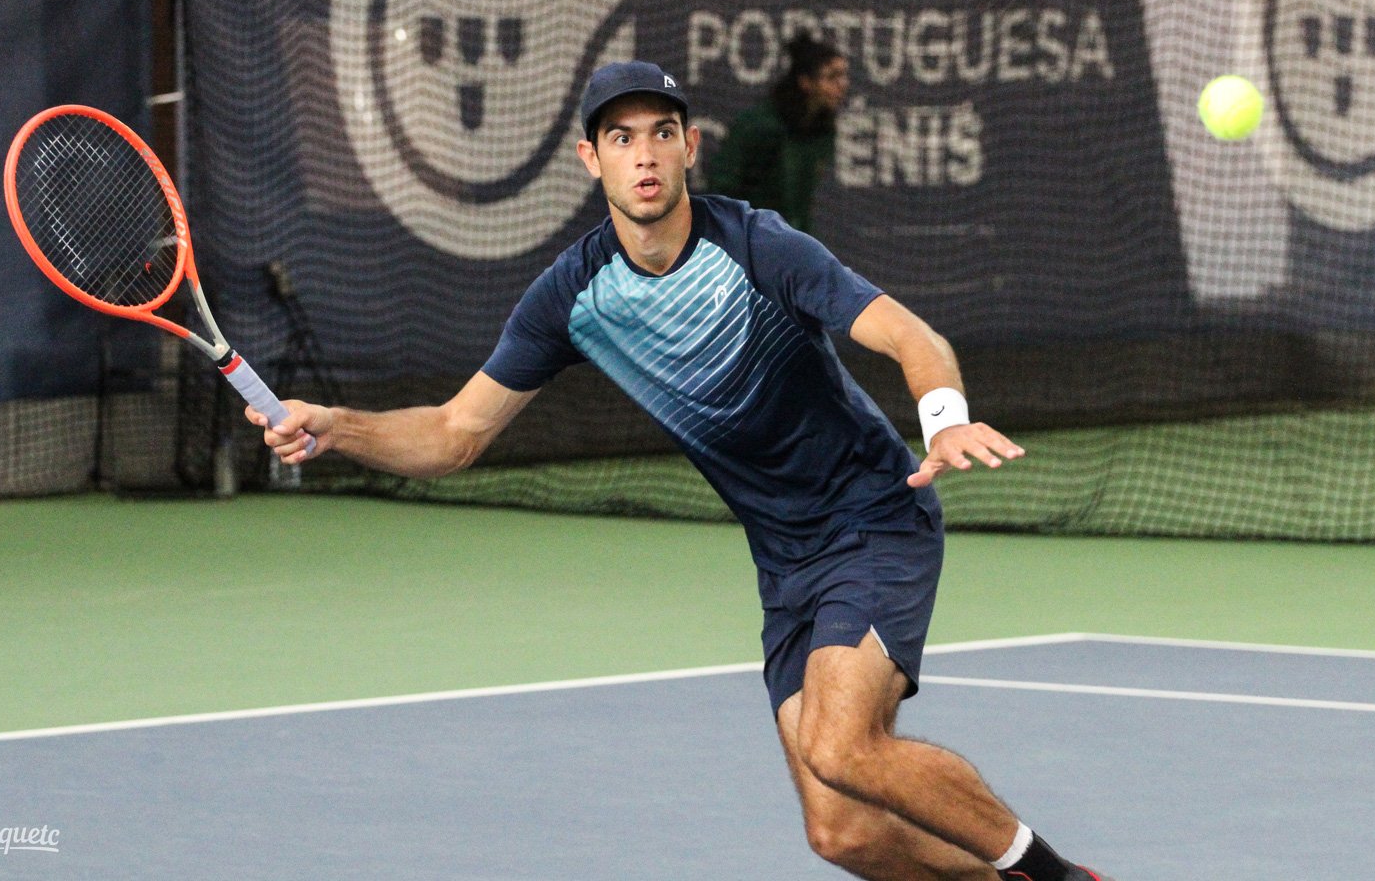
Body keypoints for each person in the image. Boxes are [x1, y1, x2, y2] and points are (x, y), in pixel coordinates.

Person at [248, 61, 1114, 881]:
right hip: (786, 563)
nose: (645, 155)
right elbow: (453, 433)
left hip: (874, 520)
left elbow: (909, 335)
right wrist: (338, 428)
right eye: (621, 139)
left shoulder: (760, 246)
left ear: (690, 146)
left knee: (841, 746)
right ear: (591, 159)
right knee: (841, 831)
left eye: (662, 133)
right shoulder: (573, 296)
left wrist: (944, 419)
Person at [706, 32, 849, 235]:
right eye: (832, 77)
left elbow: (800, 204)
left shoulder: (823, 130)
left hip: (791, 240)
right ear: (805, 82)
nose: (843, 84)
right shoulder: (759, 126)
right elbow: (723, 188)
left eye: (843, 75)